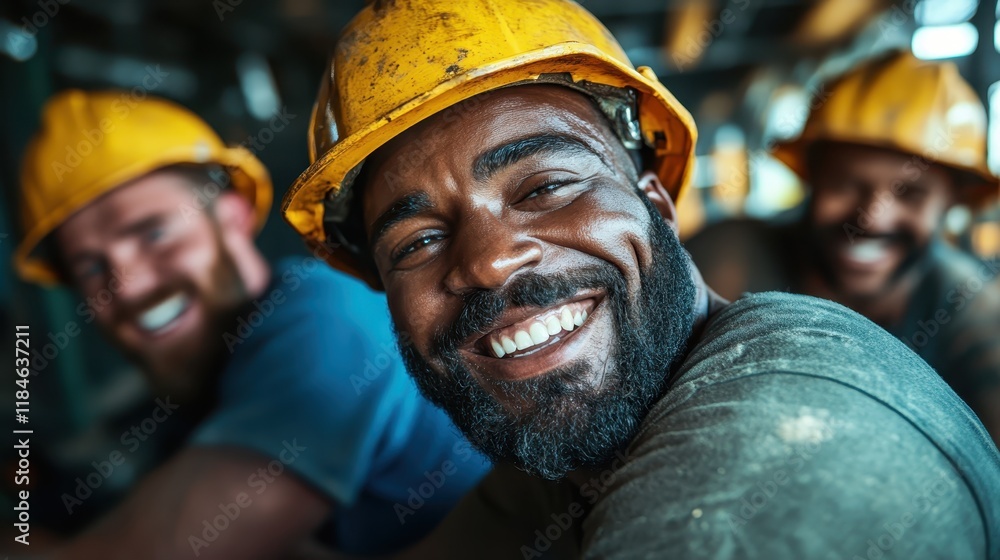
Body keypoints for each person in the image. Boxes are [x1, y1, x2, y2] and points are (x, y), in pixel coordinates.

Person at [280, 1, 1000, 558]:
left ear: (656, 202)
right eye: (420, 240)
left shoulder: (763, 468)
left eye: (545, 187)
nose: (488, 262)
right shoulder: (588, 437)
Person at [14, 90, 489, 559]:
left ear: (233, 216)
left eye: (154, 233)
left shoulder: (325, 322)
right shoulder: (216, 377)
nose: (128, 286)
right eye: (91, 268)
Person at [685, 51, 1000, 443]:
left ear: (952, 203)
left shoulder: (974, 313)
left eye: (911, 194)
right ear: (812, 177)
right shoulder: (728, 258)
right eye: (846, 184)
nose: (872, 218)